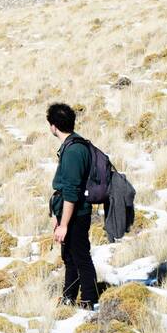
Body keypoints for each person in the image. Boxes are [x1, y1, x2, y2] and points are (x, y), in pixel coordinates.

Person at [47, 102, 99, 309]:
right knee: (70, 256)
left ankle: (89, 299)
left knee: (80, 256)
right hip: (70, 212)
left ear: (53, 126)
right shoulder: (74, 146)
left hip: (76, 213)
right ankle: (69, 296)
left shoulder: (73, 151)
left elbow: (71, 192)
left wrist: (64, 224)